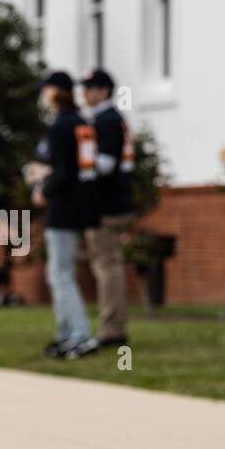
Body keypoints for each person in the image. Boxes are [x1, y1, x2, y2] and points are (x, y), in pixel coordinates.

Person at [29, 71, 100, 359]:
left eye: (46, 91)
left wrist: (42, 189)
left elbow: (63, 170)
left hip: (64, 208)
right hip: (81, 205)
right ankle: (67, 333)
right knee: (60, 272)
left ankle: (79, 334)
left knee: (60, 273)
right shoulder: (82, 124)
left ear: (55, 92)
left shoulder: (61, 126)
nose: (43, 97)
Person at [80, 68, 135, 347]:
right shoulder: (110, 120)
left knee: (107, 266)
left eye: (90, 88)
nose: (85, 93)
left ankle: (112, 329)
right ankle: (113, 325)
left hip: (107, 206)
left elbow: (104, 164)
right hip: (116, 203)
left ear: (103, 91)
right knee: (108, 264)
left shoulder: (107, 121)